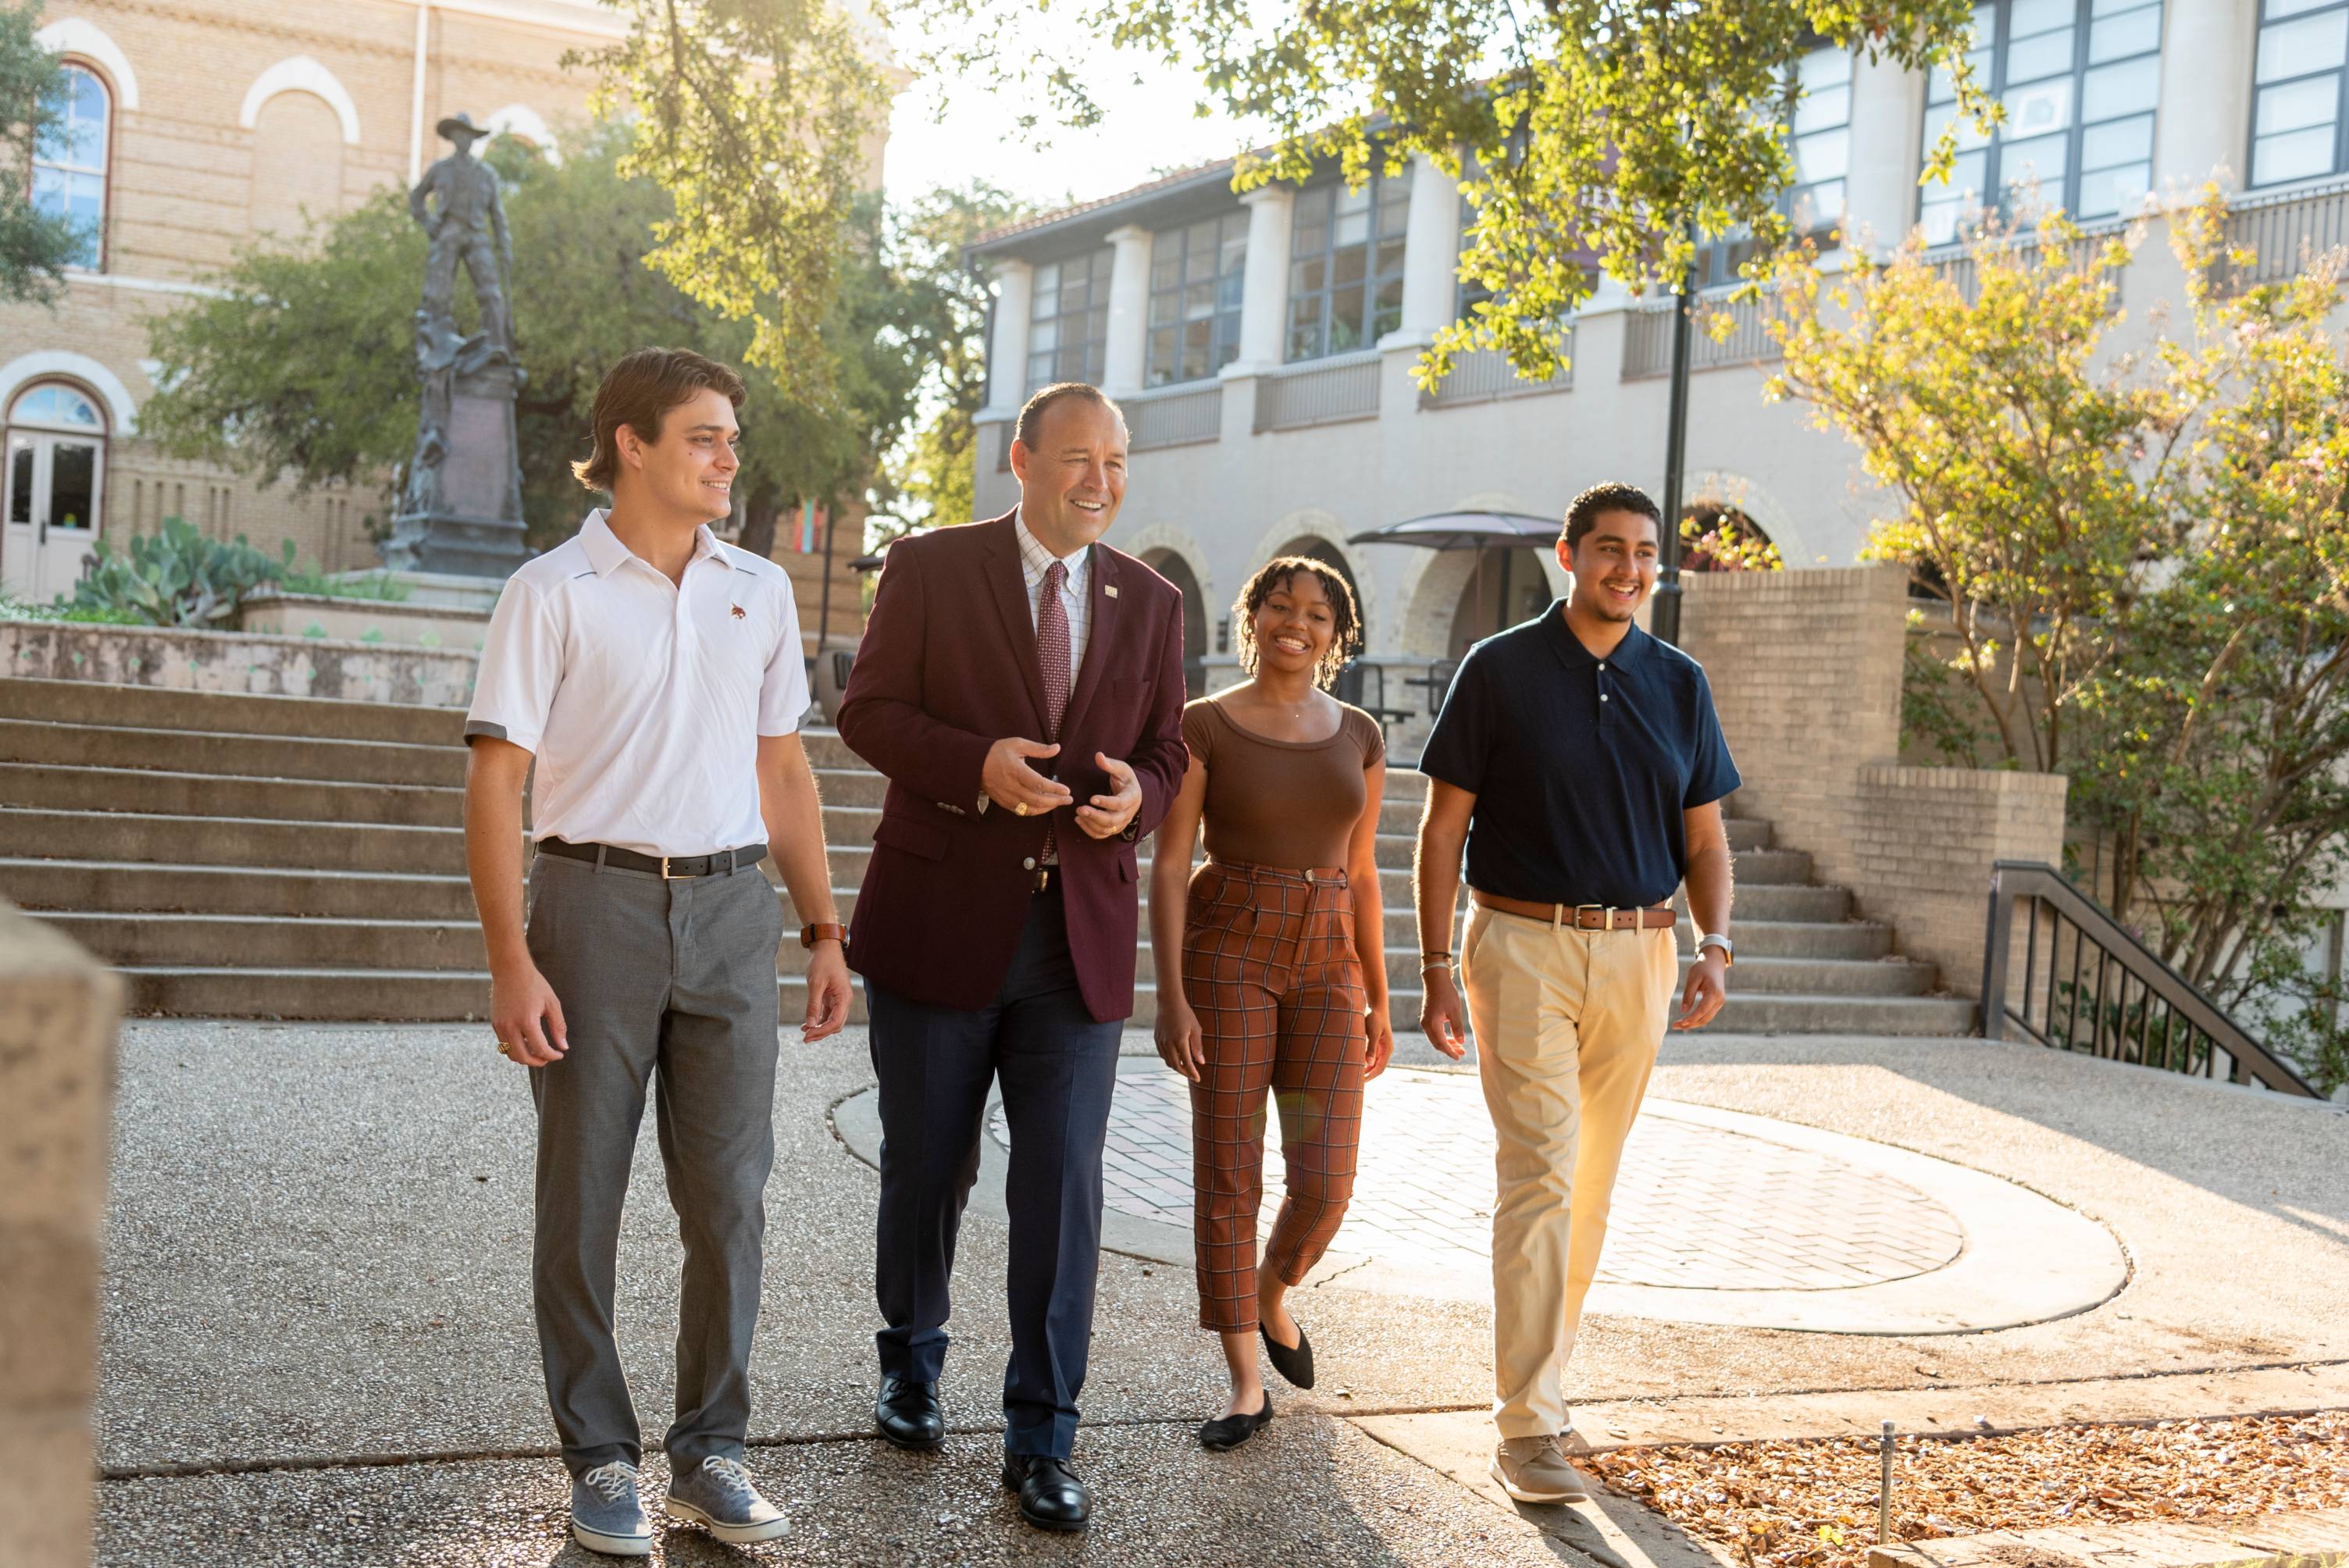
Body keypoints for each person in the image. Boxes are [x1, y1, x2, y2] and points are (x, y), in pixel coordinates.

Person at [462, 347, 854, 1556]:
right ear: (630, 443)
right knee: (582, 1196)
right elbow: (498, 781)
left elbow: (782, 768)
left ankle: (712, 1451)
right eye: (703, 436)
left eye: (731, 436)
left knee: (731, 1197)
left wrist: (824, 927)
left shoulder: (761, 589)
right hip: (592, 907)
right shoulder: (552, 591)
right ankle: (599, 1458)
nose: (728, 457)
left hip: (735, 915)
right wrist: (510, 958)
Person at [835, 381, 1188, 1532]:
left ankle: (1043, 1437)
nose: (1102, 481)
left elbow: (1168, 753)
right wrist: (975, 762)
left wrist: (1139, 796)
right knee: (928, 1164)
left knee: (1064, 1190)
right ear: (1023, 461)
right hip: (940, 923)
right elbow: (869, 712)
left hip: (1076, 944)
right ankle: (911, 1363)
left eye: (1119, 463)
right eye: (1080, 458)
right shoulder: (931, 565)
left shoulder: (1152, 600)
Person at [1412, 481, 1740, 1506]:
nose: (1629, 569)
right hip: (1519, 945)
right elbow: (1439, 833)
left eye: (1645, 553)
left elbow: (1706, 839)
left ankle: (1541, 1389)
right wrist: (1432, 968)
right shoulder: (1499, 669)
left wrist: (1713, 945)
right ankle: (1529, 1427)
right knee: (1544, 1176)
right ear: (1568, 554)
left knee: (1588, 1184)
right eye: (1609, 549)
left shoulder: (1679, 683)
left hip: (1639, 956)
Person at [1148, 556, 1394, 1452]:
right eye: (1281, 607)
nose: (1298, 624)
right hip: (1229, 949)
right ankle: (1246, 1380)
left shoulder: (1360, 734)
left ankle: (1269, 1293)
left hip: (1329, 957)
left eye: (1318, 614)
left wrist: (1378, 990)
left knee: (1325, 1178)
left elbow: (1364, 872)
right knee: (1229, 1167)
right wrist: (1170, 992)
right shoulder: (1203, 725)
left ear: (1338, 634)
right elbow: (1172, 863)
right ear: (1251, 618)